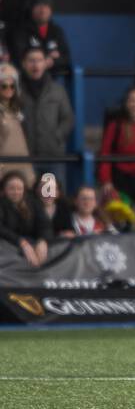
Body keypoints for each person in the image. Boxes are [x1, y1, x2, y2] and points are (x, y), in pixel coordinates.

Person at [98, 86, 135, 232]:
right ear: (126, 104)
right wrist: (106, 180)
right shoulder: (115, 126)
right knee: (122, 224)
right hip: (121, 179)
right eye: (131, 100)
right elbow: (105, 154)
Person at [19, 46, 72, 191]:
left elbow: (67, 118)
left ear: (46, 63)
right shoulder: (15, 91)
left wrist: (57, 137)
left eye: (39, 60)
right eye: (31, 60)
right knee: (28, 197)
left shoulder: (57, 90)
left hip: (53, 157)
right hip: (26, 156)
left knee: (52, 196)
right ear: (23, 64)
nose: (35, 65)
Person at [0, 169, 51, 266]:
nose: (16, 192)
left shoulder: (33, 203)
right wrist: (21, 242)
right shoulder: (2, 204)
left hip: (32, 244)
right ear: (4, 190)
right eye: (11, 189)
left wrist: (43, 241)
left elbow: (45, 225)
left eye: (19, 188)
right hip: (7, 246)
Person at [0, 65, 33, 184]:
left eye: (12, 86)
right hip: (5, 168)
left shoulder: (18, 111)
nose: (9, 89)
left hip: (23, 164)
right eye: (4, 86)